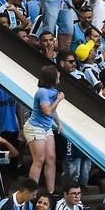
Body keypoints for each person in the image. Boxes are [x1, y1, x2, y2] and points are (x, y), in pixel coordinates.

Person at [27, 66, 63, 194]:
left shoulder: (53, 91)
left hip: (46, 128)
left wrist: (58, 122)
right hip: (35, 127)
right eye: (57, 74)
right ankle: (31, 192)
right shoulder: (42, 92)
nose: (59, 75)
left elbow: (53, 109)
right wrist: (58, 99)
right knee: (39, 159)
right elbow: (47, 111)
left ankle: (51, 192)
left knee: (51, 158)